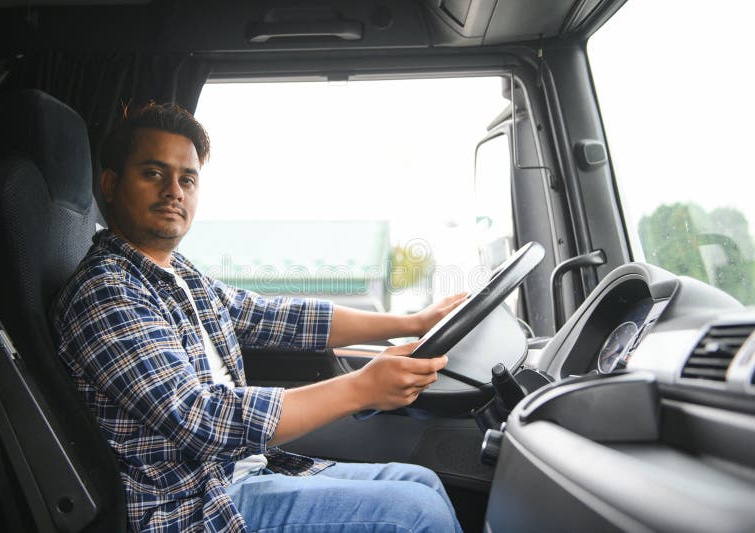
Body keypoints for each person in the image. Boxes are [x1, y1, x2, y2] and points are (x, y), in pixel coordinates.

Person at [51, 102, 468, 532]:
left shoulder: (178, 274)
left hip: (239, 472)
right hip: (193, 506)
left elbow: (276, 317)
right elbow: (201, 419)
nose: (174, 190)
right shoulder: (106, 292)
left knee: (423, 481)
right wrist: (361, 388)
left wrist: (413, 322)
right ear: (111, 184)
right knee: (418, 513)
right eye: (153, 173)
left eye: (187, 179)